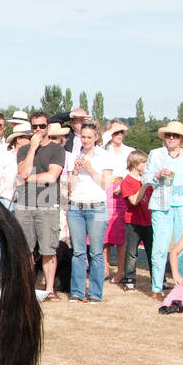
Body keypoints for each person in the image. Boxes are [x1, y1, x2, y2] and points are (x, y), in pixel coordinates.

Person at [144, 120, 183, 301]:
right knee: (160, 247)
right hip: (162, 204)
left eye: (175, 136)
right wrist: (157, 175)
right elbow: (145, 177)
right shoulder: (155, 154)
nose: (171, 138)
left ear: (181, 139)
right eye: (168, 135)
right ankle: (157, 287)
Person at [15, 111, 65, 300]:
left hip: (48, 205)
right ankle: (27, 287)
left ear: (48, 127)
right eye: (34, 126)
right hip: (24, 204)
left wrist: (28, 178)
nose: (38, 130)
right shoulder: (23, 150)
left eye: (42, 126)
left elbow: (51, 177)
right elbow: (22, 171)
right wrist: (32, 149)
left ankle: (49, 289)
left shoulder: (57, 149)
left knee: (48, 250)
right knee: (25, 249)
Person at [65, 123, 113, 302]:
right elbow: (70, 187)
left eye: (89, 137)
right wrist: (76, 170)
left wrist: (91, 168)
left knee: (96, 252)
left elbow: (106, 184)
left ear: (96, 138)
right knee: (78, 252)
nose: (85, 140)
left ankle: (95, 293)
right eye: (83, 137)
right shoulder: (74, 156)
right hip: (76, 206)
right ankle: (77, 292)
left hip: (96, 207)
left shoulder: (104, 156)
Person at [101, 121, 135, 283]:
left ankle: (121, 270)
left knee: (121, 233)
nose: (119, 135)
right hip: (105, 188)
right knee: (104, 232)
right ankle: (105, 267)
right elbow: (100, 140)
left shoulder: (130, 151)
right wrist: (109, 132)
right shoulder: (103, 149)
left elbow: (134, 171)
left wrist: (123, 186)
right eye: (116, 132)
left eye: (121, 132)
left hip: (123, 189)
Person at [117, 150, 155, 292]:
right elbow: (133, 201)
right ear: (135, 163)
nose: (146, 165)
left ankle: (158, 279)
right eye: (144, 162)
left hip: (149, 221)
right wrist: (144, 186)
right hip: (133, 221)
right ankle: (129, 279)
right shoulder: (128, 181)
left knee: (153, 252)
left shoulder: (145, 180)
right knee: (132, 252)